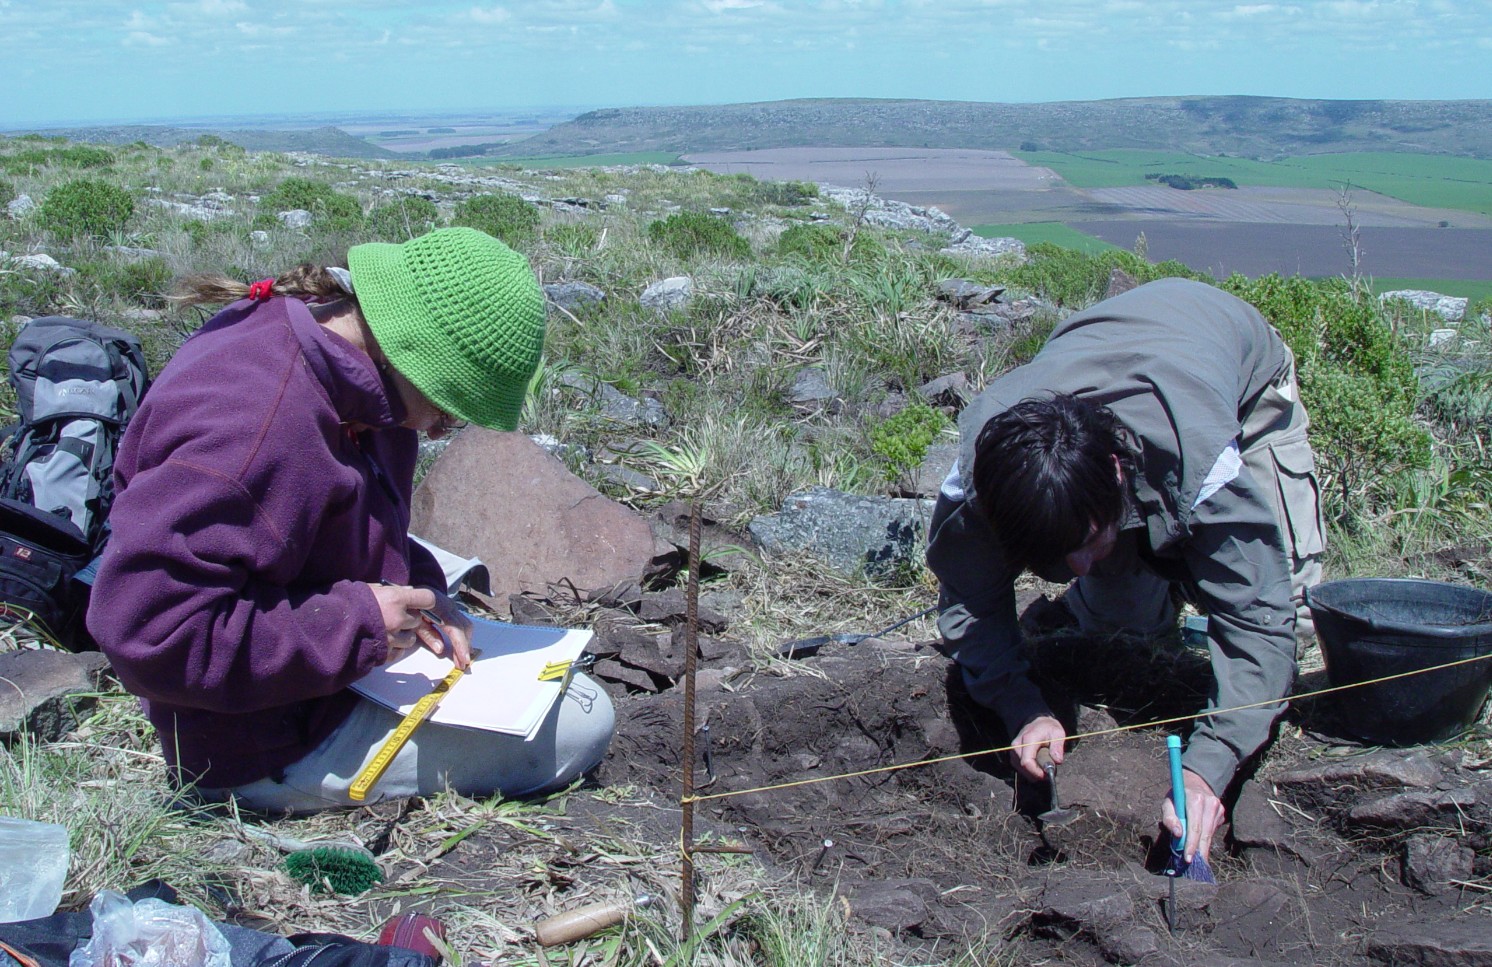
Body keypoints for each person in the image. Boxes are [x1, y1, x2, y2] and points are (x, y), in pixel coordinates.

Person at [87, 227, 614, 812]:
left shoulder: (348, 368)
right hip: (259, 742)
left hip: (319, 673)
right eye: (447, 404)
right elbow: (151, 633)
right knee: (582, 717)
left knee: (488, 616)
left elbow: (350, 514)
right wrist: (360, 625)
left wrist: (421, 594)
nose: (442, 427)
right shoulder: (253, 427)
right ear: (404, 350)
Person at [927, 277, 1324, 865]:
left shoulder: (1204, 461)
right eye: (1057, 558)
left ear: (1117, 472)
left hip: (1235, 371)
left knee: (1290, 602)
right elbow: (972, 602)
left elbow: (1259, 620)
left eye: (1088, 543)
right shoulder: (983, 479)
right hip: (1110, 354)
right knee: (1121, 630)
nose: (1079, 566)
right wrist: (1023, 707)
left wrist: (1207, 773)